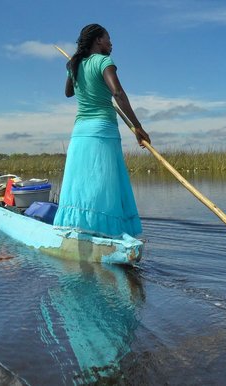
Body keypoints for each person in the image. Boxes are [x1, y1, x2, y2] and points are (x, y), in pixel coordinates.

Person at [53, 24, 150, 238]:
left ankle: (81, 228)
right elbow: (118, 93)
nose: (111, 43)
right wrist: (137, 127)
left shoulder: (75, 65)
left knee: (83, 183)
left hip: (80, 132)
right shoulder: (104, 61)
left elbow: (69, 92)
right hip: (102, 129)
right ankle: (106, 232)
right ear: (98, 40)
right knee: (105, 183)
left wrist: (72, 69)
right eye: (108, 38)